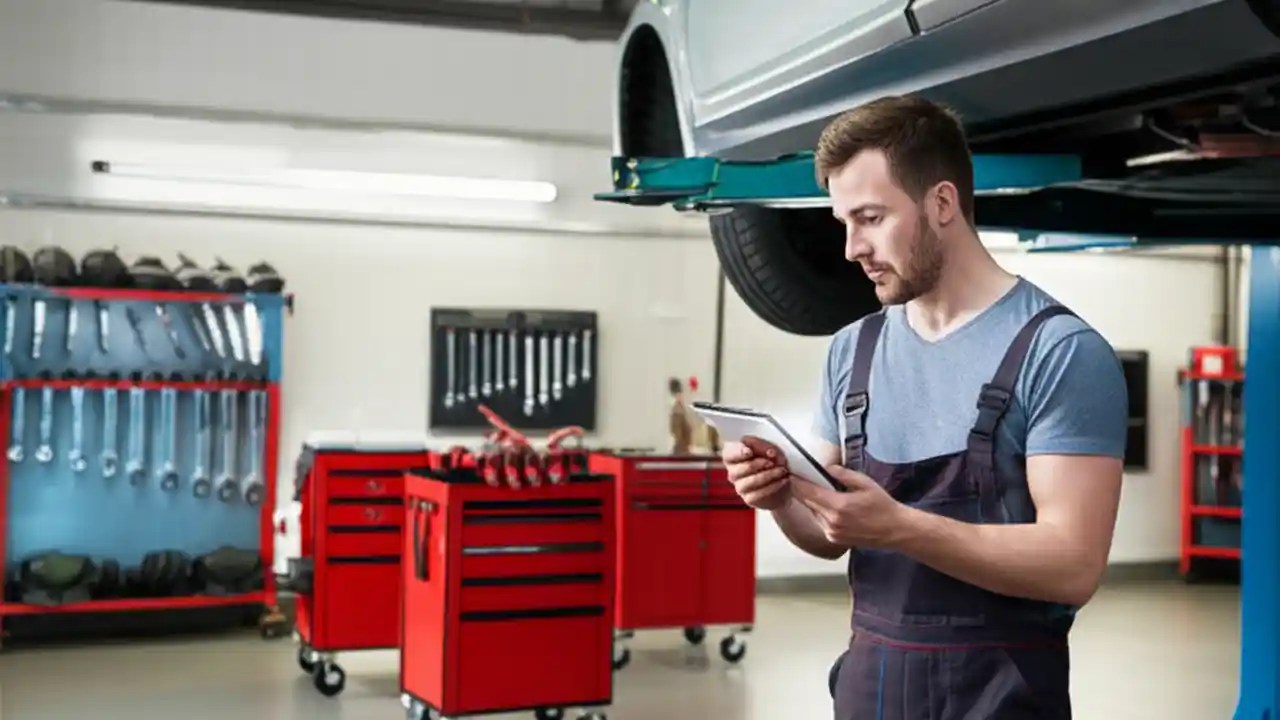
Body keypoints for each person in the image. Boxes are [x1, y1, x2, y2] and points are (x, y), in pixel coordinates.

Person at [721, 95, 1128, 719]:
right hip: (871, 689)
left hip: (1000, 696)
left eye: (872, 217)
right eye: (844, 223)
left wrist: (901, 526)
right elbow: (828, 536)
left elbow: (1073, 565)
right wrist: (777, 497)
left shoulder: (1060, 353)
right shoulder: (851, 352)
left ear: (941, 204)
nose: (853, 247)